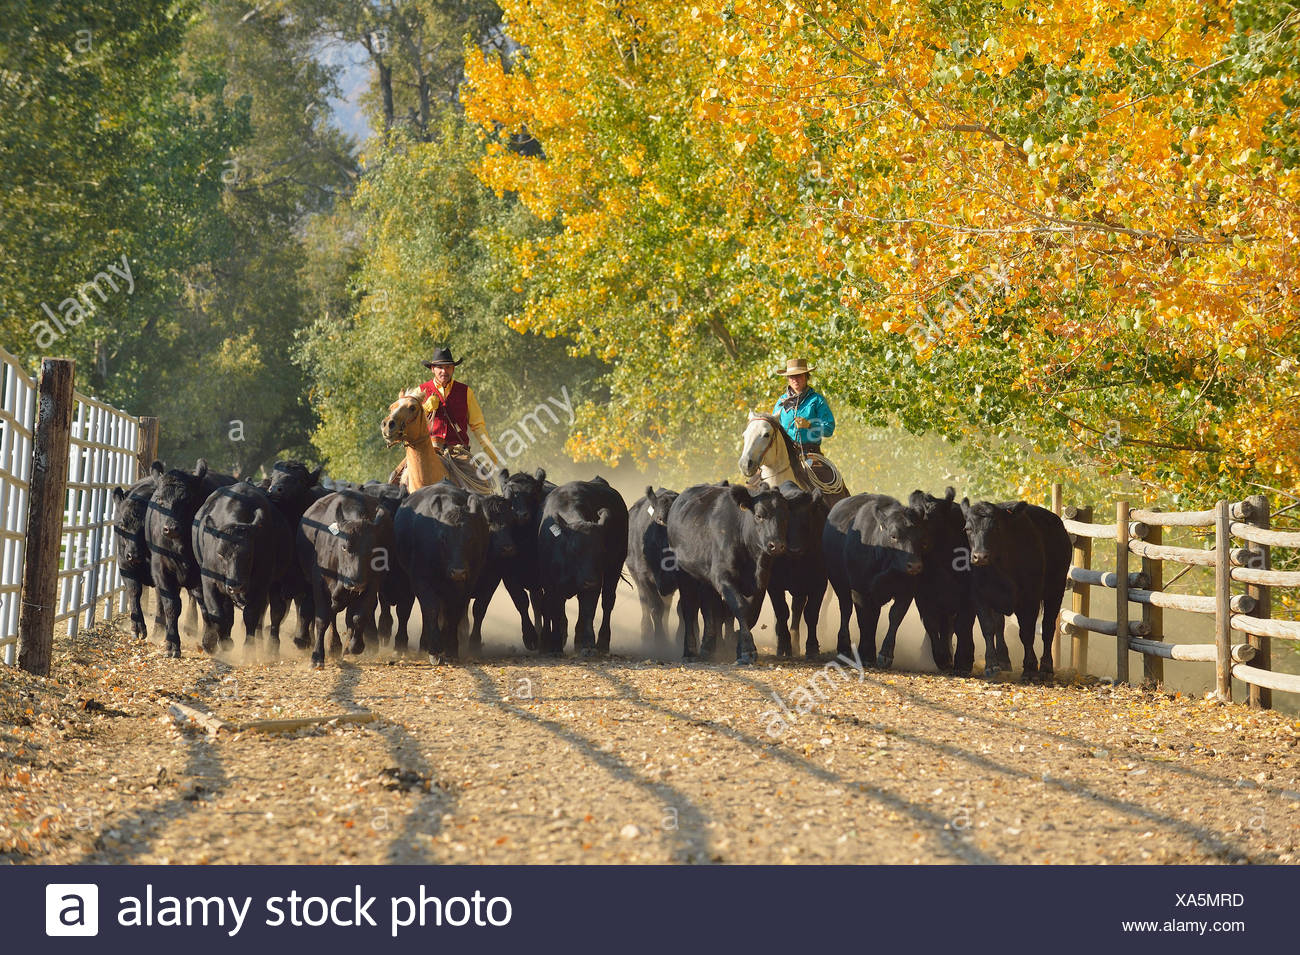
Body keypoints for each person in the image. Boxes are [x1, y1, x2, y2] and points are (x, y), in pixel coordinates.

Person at [414, 346, 503, 467]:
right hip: (428, 449)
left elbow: (477, 425)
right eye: (440, 367)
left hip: (458, 451)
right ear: (432, 369)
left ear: (453, 369)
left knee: (479, 482)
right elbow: (409, 419)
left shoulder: (466, 391)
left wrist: (488, 447)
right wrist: (426, 408)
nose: (444, 371)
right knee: (402, 477)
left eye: (448, 367)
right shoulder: (420, 391)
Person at [772, 357, 835, 454]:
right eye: (792, 376)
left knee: (823, 470)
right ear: (788, 379)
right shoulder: (781, 402)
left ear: (806, 376)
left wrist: (810, 425)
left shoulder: (817, 400)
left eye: (799, 375)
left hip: (811, 453)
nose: (795, 379)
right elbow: (773, 429)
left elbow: (829, 429)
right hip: (785, 454)